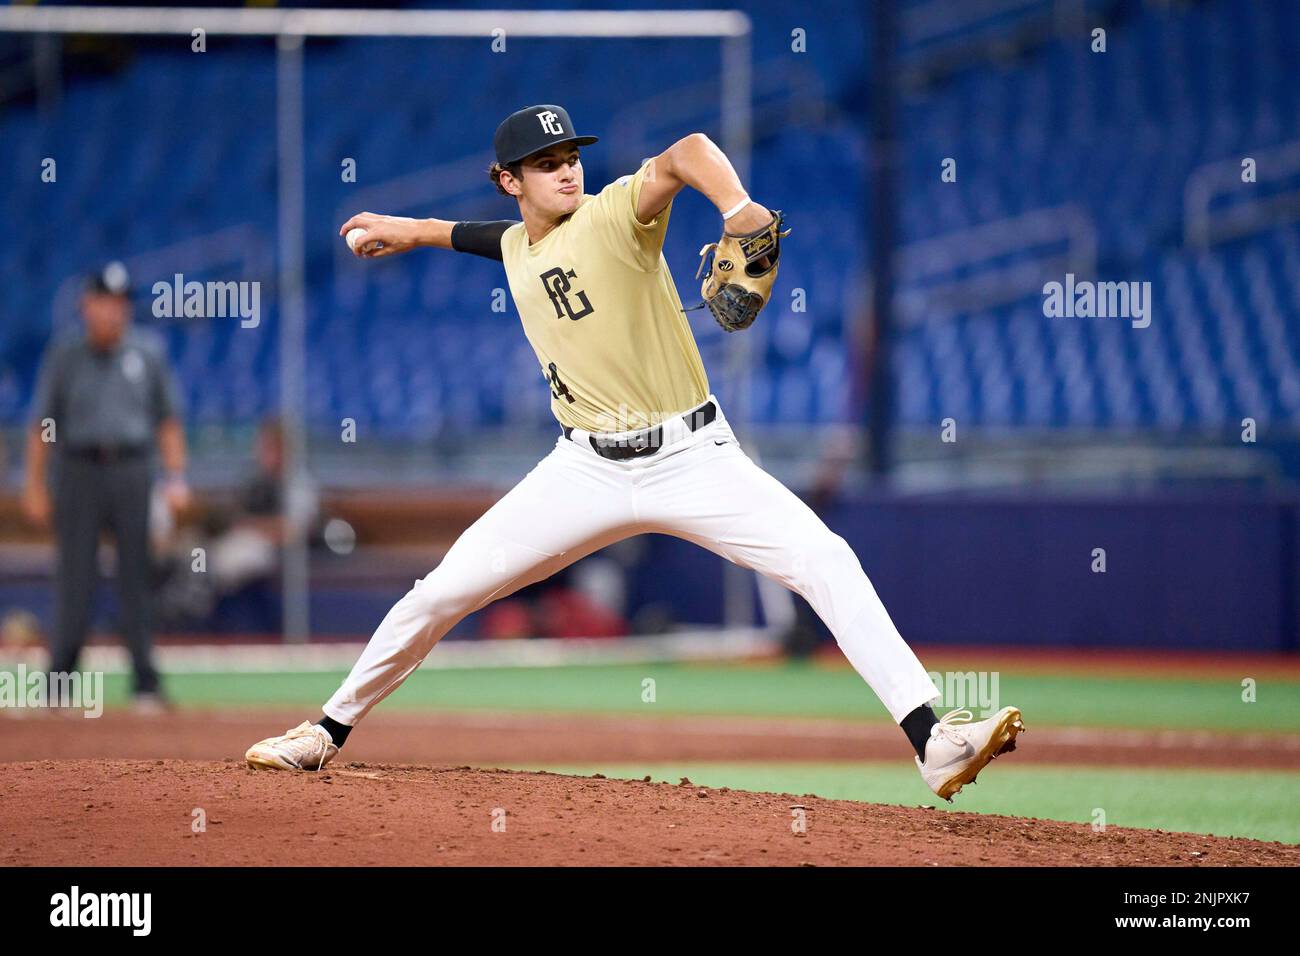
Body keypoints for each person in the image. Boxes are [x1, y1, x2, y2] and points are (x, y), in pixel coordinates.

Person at [245, 105, 1024, 801]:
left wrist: (737, 205)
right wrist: (409, 229)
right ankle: (325, 731)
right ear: (507, 180)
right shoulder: (518, 244)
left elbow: (685, 151)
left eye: (571, 156)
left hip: (694, 456)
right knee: (441, 591)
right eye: (547, 163)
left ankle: (932, 737)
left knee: (825, 558)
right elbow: (483, 238)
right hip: (582, 468)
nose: (567, 169)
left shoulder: (618, 211)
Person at [22, 261, 190, 713]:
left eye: (120, 303)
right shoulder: (66, 355)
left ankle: (145, 685)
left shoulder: (147, 352)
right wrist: (34, 483)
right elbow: (43, 423)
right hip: (78, 471)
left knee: (137, 576)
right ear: (86, 305)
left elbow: (168, 421)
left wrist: (175, 479)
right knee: (75, 577)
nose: (113, 312)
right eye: (104, 302)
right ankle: (58, 688)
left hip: (133, 470)